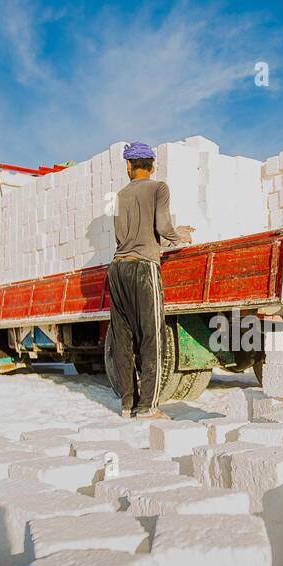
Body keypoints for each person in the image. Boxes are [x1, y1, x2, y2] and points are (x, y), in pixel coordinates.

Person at [107, 142, 193, 419]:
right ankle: (147, 407)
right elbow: (162, 226)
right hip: (143, 267)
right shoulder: (158, 188)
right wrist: (179, 235)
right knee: (151, 336)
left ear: (129, 167)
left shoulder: (118, 195)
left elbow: (119, 236)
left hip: (117, 269)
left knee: (123, 338)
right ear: (152, 166)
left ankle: (126, 404)